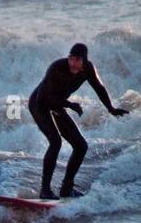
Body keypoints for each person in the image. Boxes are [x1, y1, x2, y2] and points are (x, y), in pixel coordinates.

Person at [28, 42, 128, 200]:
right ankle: (45, 190)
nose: (73, 63)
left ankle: (66, 189)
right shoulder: (57, 68)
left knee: (81, 146)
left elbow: (99, 87)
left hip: (57, 104)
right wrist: (69, 104)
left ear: (84, 60)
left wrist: (111, 108)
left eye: (77, 60)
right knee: (55, 142)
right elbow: (44, 98)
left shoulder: (88, 69)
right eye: (71, 59)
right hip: (39, 104)